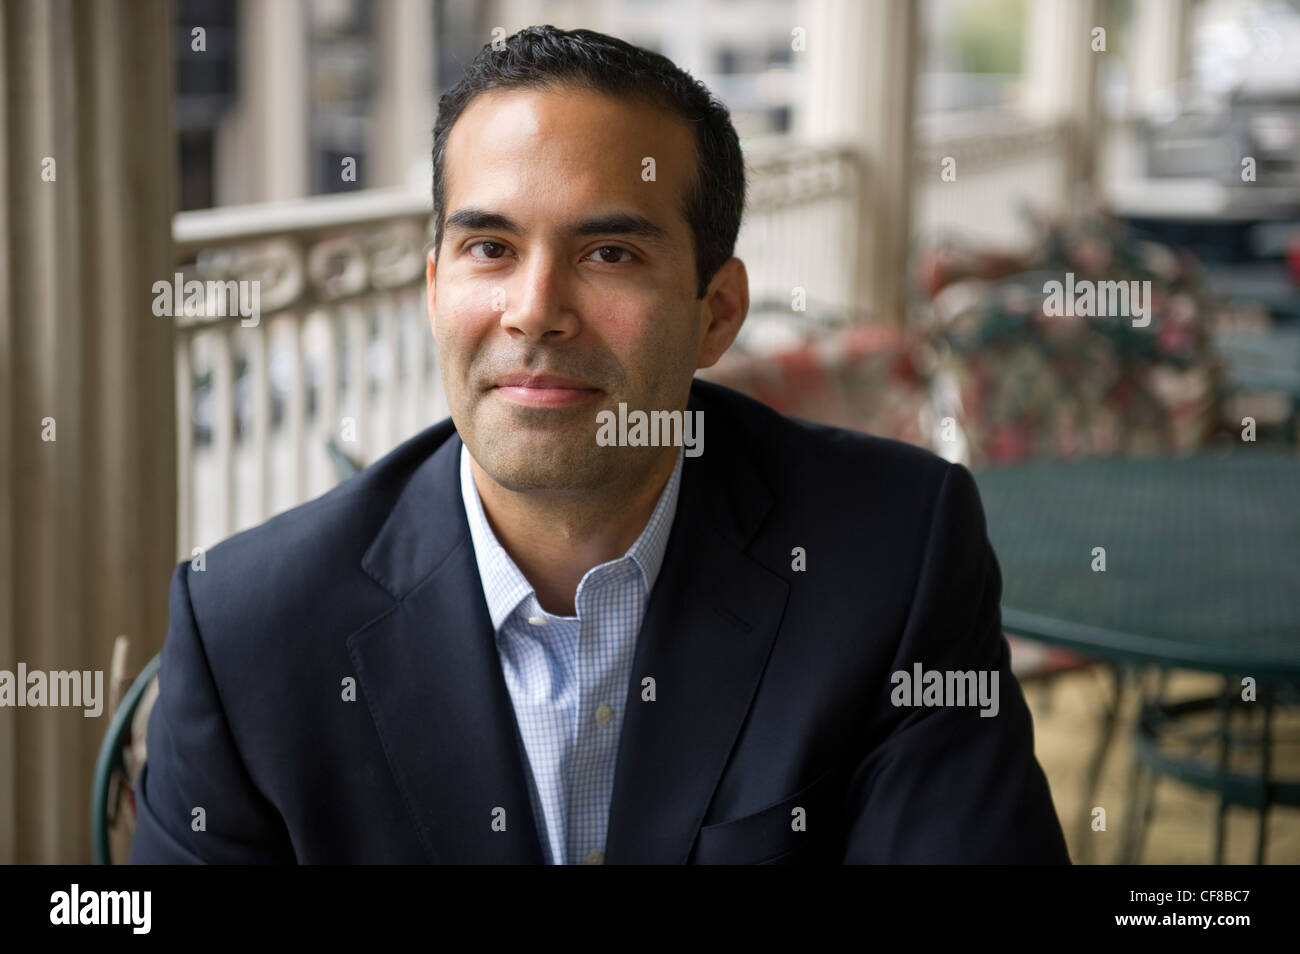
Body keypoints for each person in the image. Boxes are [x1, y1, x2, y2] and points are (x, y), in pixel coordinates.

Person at [130, 25, 1069, 865]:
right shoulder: (248, 630)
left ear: (718, 313)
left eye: (609, 254)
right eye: (489, 248)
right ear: (431, 290)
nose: (533, 311)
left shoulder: (894, 554)